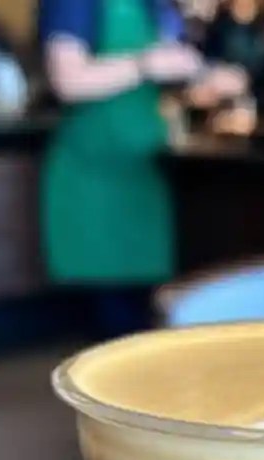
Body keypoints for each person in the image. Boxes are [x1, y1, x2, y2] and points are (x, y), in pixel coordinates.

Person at [37, 0, 239, 336]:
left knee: (148, 317)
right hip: (94, 179)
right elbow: (68, 80)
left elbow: (167, 71)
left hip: (144, 174)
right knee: (111, 327)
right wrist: (146, 65)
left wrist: (204, 76)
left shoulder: (155, 6)